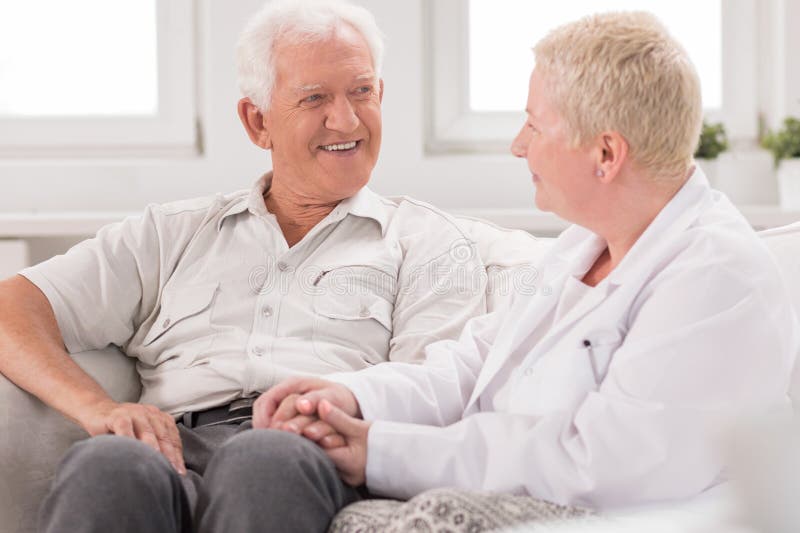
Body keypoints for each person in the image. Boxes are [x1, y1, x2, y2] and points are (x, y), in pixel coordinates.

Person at [256, 10, 799, 521]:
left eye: (535, 126)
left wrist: (378, 450)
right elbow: (473, 364)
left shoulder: (717, 280)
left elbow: (594, 465)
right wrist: (349, 396)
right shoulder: (583, 244)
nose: (519, 146)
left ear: (606, 155)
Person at [0, 1, 486, 532]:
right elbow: (12, 309)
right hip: (175, 445)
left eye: (362, 91)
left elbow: (439, 389)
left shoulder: (429, 242)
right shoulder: (172, 233)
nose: (346, 119)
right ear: (258, 122)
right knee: (106, 464)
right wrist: (97, 406)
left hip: (308, 455)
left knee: (260, 462)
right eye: (315, 97)